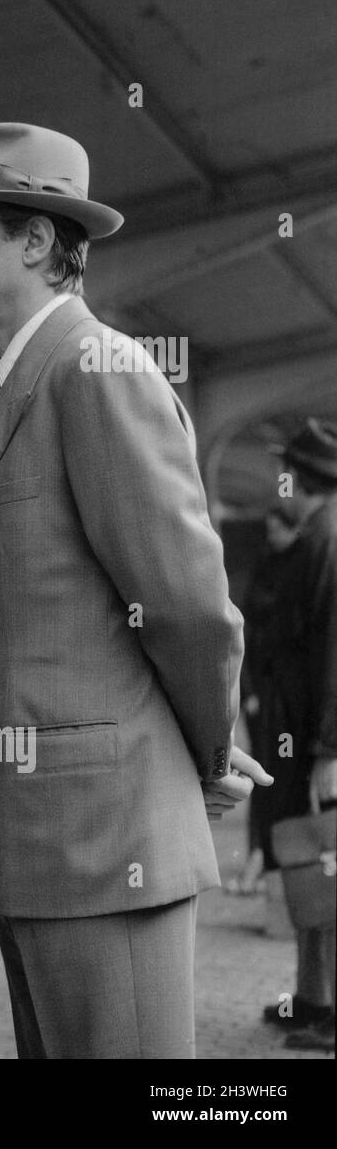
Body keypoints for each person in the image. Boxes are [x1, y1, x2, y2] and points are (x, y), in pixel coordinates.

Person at [0, 122, 269, 1058]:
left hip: (106, 843)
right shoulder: (17, 385)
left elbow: (186, 601)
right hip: (43, 838)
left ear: (36, 240)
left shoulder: (94, 371)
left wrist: (209, 747)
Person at [265, 418, 337, 1051]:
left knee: (329, 866)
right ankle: (313, 1000)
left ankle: (327, 1010)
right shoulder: (320, 534)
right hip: (304, 734)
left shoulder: (330, 540)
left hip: (320, 741)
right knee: (311, 865)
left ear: (302, 478)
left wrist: (329, 750)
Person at [234, 506, 303, 895]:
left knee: (282, 774)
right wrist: (251, 693)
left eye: (279, 529)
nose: (272, 536)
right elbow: (244, 635)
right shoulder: (263, 566)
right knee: (261, 771)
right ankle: (257, 856)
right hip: (263, 695)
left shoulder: (305, 561)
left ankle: (276, 861)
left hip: (288, 696)